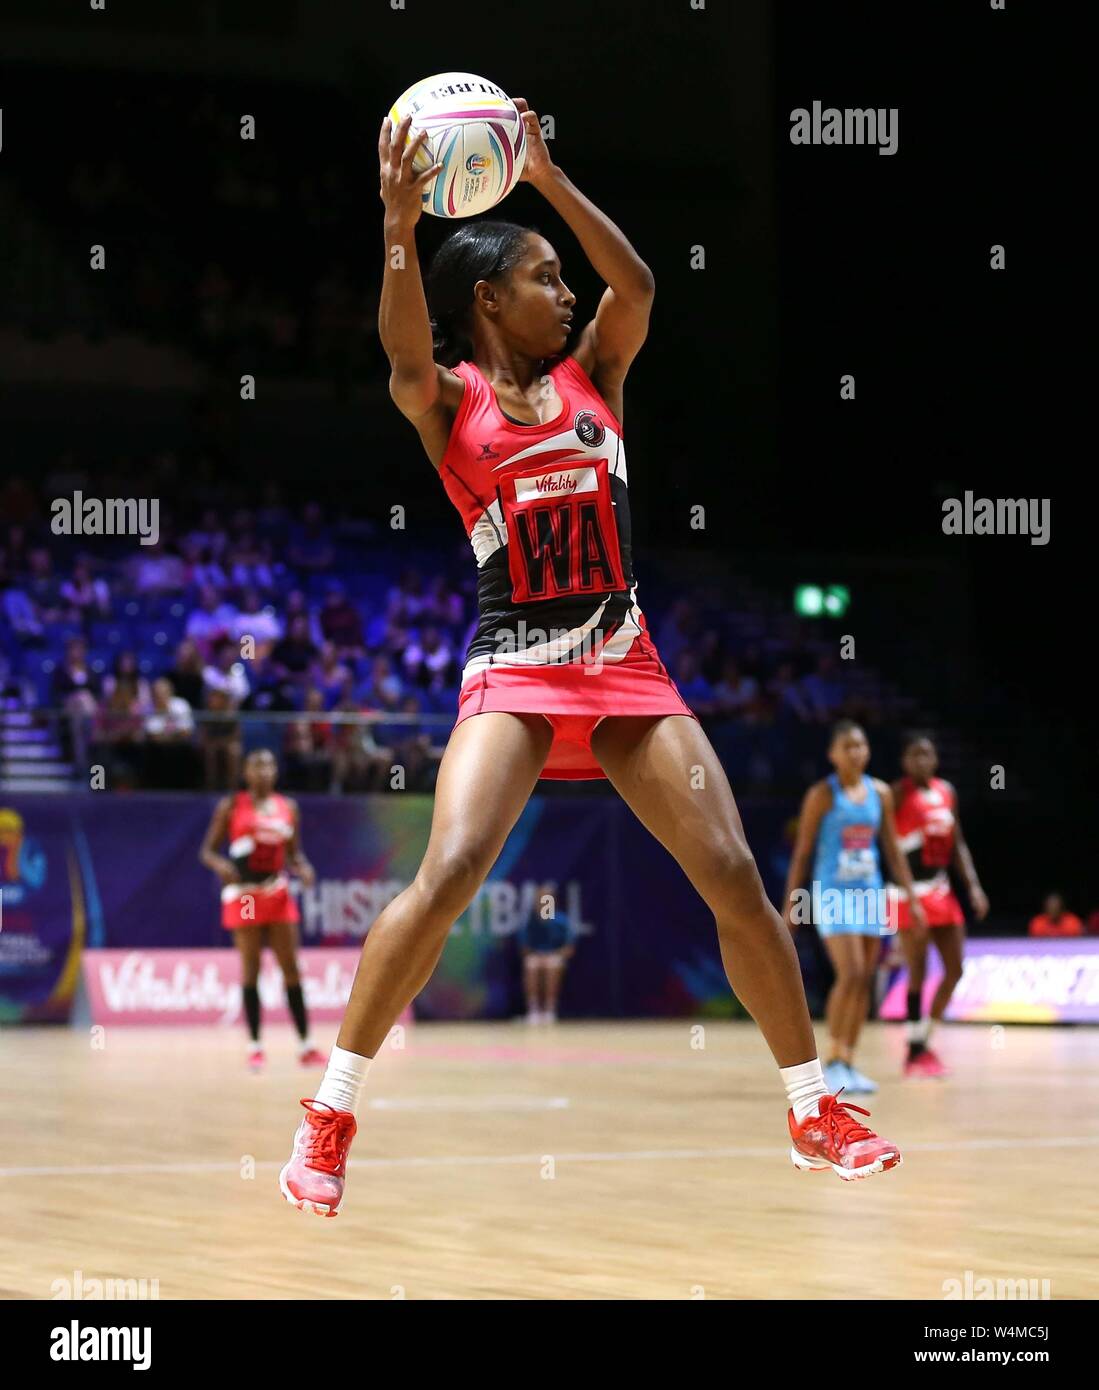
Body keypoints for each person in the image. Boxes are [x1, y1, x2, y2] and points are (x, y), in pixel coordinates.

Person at [277, 102, 902, 1219]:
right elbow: (403, 354)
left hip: (623, 663)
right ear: (487, 298)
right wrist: (395, 224)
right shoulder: (450, 401)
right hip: (514, 664)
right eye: (543, 276)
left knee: (734, 876)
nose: (566, 292)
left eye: (565, 277)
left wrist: (549, 178)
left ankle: (815, 1106)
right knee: (454, 865)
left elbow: (643, 286)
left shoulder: (597, 378)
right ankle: (329, 1114)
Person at [783, 721, 925, 1094]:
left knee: (865, 979)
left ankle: (848, 1060)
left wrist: (911, 896)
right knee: (851, 974)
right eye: (847, 746)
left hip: (872, 894)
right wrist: (791, 907)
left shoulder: (880, 793)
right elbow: (802, 852)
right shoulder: (822, 795)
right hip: (833, 895)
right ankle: (830, 1061)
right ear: (833, 754)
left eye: (860, 745)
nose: (855, 752)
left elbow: (892, 850)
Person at [199, 748, 324, 1070]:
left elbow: (295, 854)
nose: (264, 771)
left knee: (291, 968)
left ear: (275, 771)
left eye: (269, 765)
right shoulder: (232, 806)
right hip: (247, 896)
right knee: (251, 968)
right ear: (246, 773)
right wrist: (222, 865)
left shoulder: (288, 808)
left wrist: (304, 867)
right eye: (257, 766)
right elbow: (207, 851)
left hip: (277, 891)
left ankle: (306, 1045)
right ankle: (255, 1046)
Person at [890, 732, 989, 1078]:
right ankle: (914, 1050)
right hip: (910, 893)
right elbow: (887, 845)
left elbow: (957, 843)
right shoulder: (898, 793)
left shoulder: (947, 791)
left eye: (927, 754)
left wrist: (974, 887)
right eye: (915, 755)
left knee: (955, 969)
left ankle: (926, 1040)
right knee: (916, 972)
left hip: (942, 890)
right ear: (905, 761)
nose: (922, 760)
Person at [517, 883, 577, 1024]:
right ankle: (533, 1010)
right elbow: (524, 948)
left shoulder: (562, 921)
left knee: (552, 964)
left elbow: (569, 948)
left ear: (553, 900)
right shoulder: (530, 921)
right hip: (536, 957)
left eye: (547, 898)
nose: (544, 901)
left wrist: (552, 955)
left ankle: (550, 1010)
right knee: (531, 964)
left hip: (554, 957)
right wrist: (539, 955)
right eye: (541, 898)